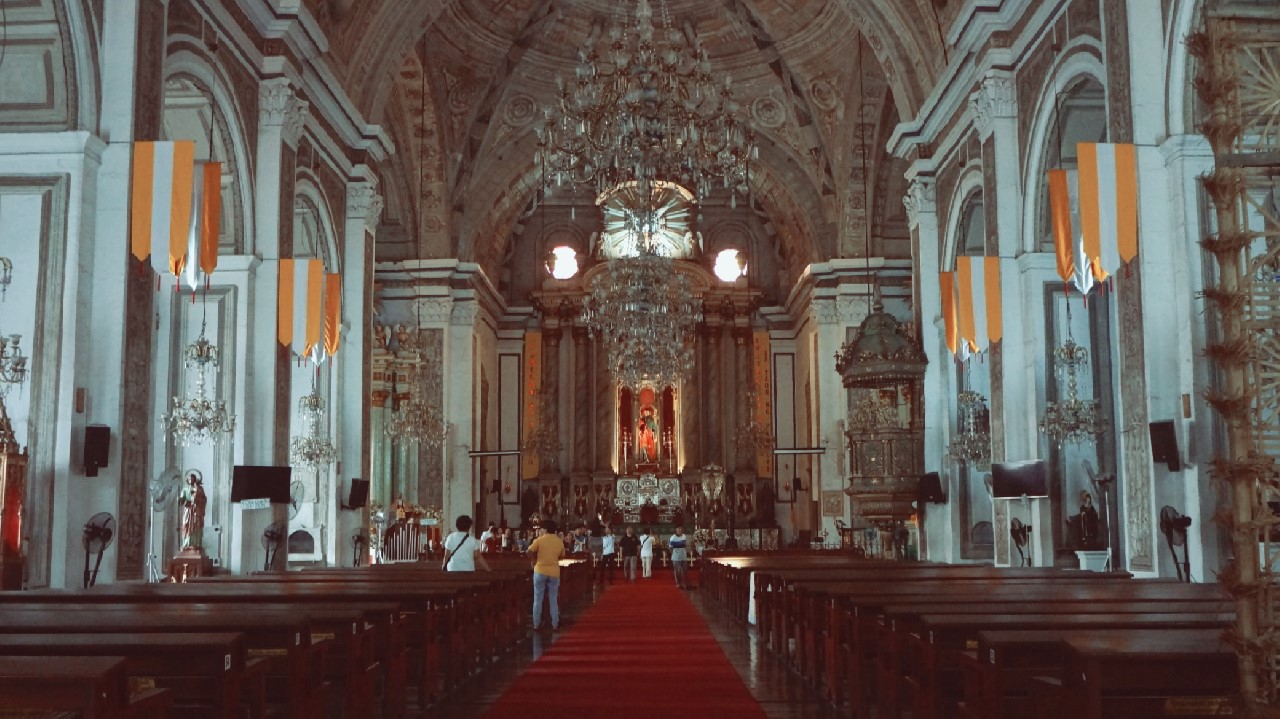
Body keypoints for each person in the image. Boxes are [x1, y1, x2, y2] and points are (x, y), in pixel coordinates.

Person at [527, 520, 566, 632]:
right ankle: (555, 624)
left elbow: (528, 551)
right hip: (554, 572)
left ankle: (536, 624)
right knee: (553, 599)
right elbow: (562, 555)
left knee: (537, 599)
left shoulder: (539, 540)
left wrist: (533, 560)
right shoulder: (559, 541)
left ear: (545, 529)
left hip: (540, 570)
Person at [179, 471, 207, 551]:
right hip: (188, 511)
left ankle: (196, 544)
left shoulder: (199, 489)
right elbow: (182, 500)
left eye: (192, 478)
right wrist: (180, 500)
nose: (190, 479)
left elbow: (204, 499)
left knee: (196, 525)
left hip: (196, 511)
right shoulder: (185, 490)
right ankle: (186, 543)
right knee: (186, 525)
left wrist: (196, 499)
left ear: (195, 479)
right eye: (189, 478)